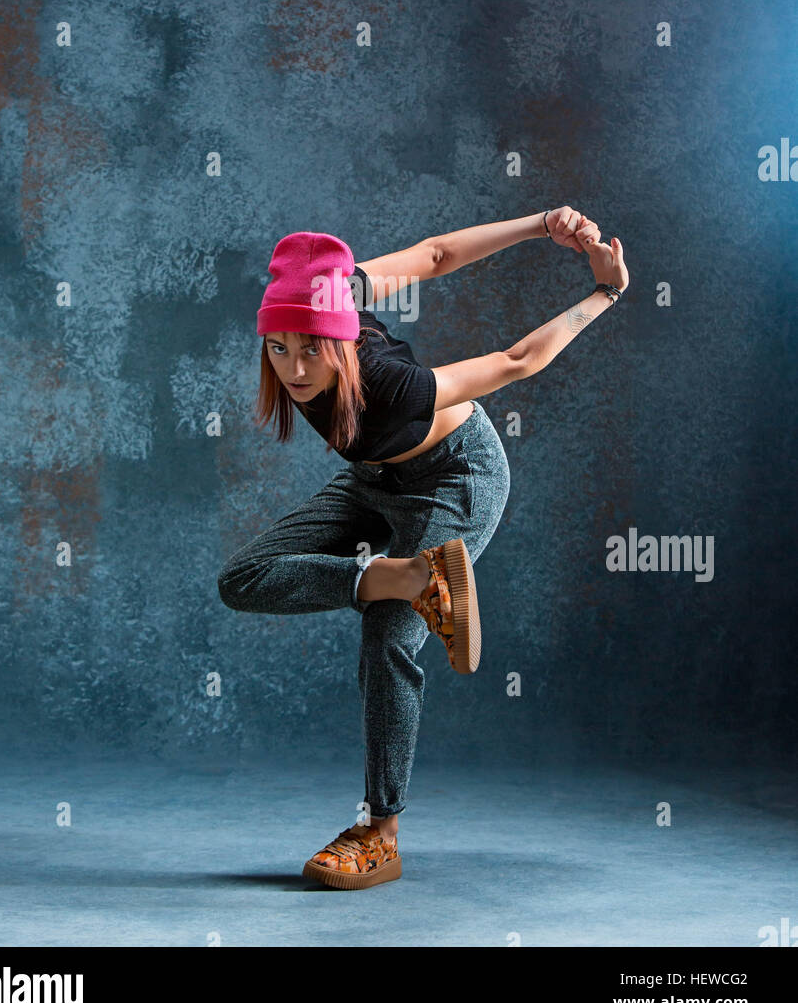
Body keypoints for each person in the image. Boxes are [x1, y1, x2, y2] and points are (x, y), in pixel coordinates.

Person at [217, 208, 629, 889]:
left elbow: (517, 361)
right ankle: (405, 577)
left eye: (311, 348)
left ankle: (379, 834)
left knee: (387, 639)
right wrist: (540, 224)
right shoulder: (329, 291)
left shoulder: (394, 388)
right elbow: (435, 253)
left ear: (342, 340)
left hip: (454, 476)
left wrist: (605, 291)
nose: (294, 368)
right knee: (244, 578)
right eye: (279, 347)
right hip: (375, 481)